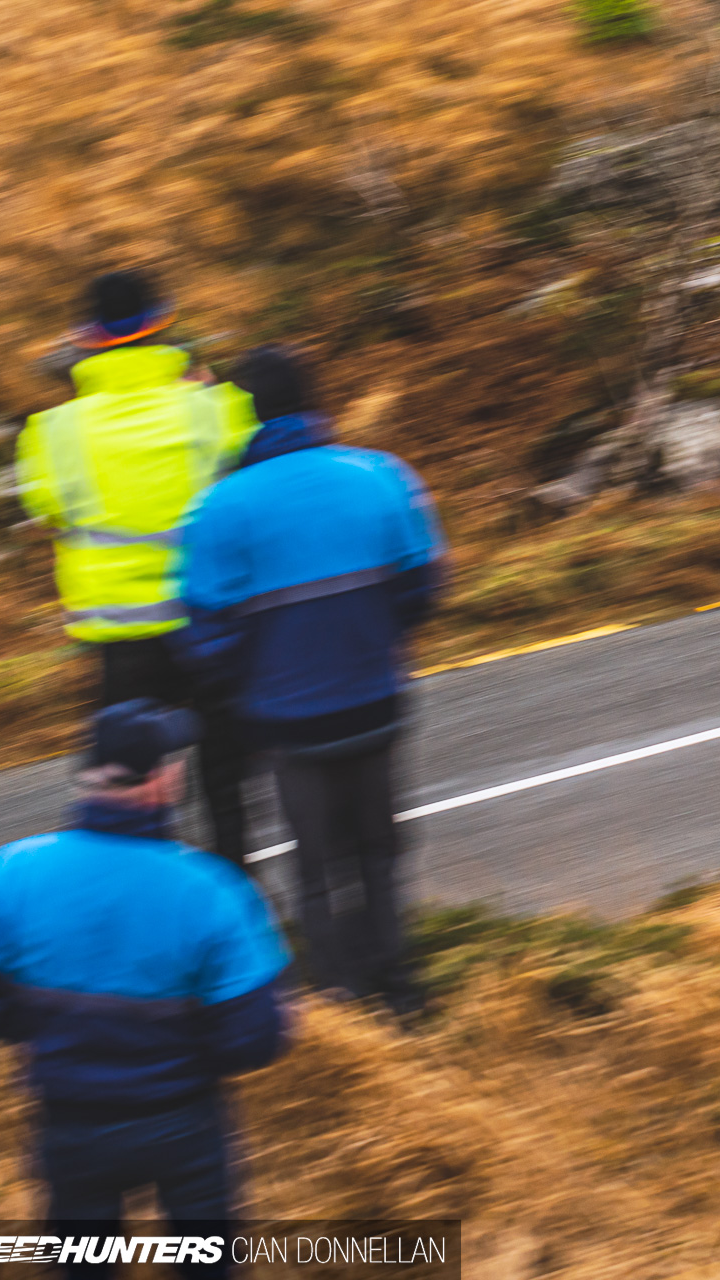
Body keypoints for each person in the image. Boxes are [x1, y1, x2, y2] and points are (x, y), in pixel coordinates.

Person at [0, 699, 289, 1273]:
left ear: (88, 775)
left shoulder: (11, 871)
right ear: (164, 781)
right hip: (184, 1122)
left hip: (68, 1121)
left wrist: (52, 1035)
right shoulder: (211, 889)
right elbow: (255, 1038)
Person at [174, 346, 445, 1015]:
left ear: (249, 415)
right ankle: (402, 988)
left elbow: (203, 626)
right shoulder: (380, 473)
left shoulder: (220, 505)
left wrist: (249, 678)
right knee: (380, 849)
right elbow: (424, 583)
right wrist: (379, 641)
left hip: (286, 714)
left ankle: (338, 998)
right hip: (374, 697)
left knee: (314, 860)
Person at [15, 270, 259, 865]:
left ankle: (147, 916)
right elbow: (254, 469)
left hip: (120, 638)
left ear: (85, 341)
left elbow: (42, 506)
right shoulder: (213, 407)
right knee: (225, 774)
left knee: (130, 788)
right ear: (163, 325)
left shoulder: (53, 431)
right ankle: (241, 898)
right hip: (211, 620)